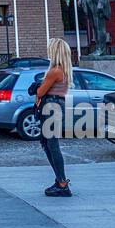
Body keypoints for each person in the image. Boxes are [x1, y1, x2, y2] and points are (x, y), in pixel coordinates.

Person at [35, 37, 73, 197]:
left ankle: (62, 182)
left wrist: (37, 91)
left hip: (51, 107)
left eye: (50, 48)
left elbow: (40, 92)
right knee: (48, 143)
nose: (48, 51)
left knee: (52, 144)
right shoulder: (62, 69)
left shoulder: (55, 71)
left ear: (55, 51)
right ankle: (60, 180)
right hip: (56, 106)